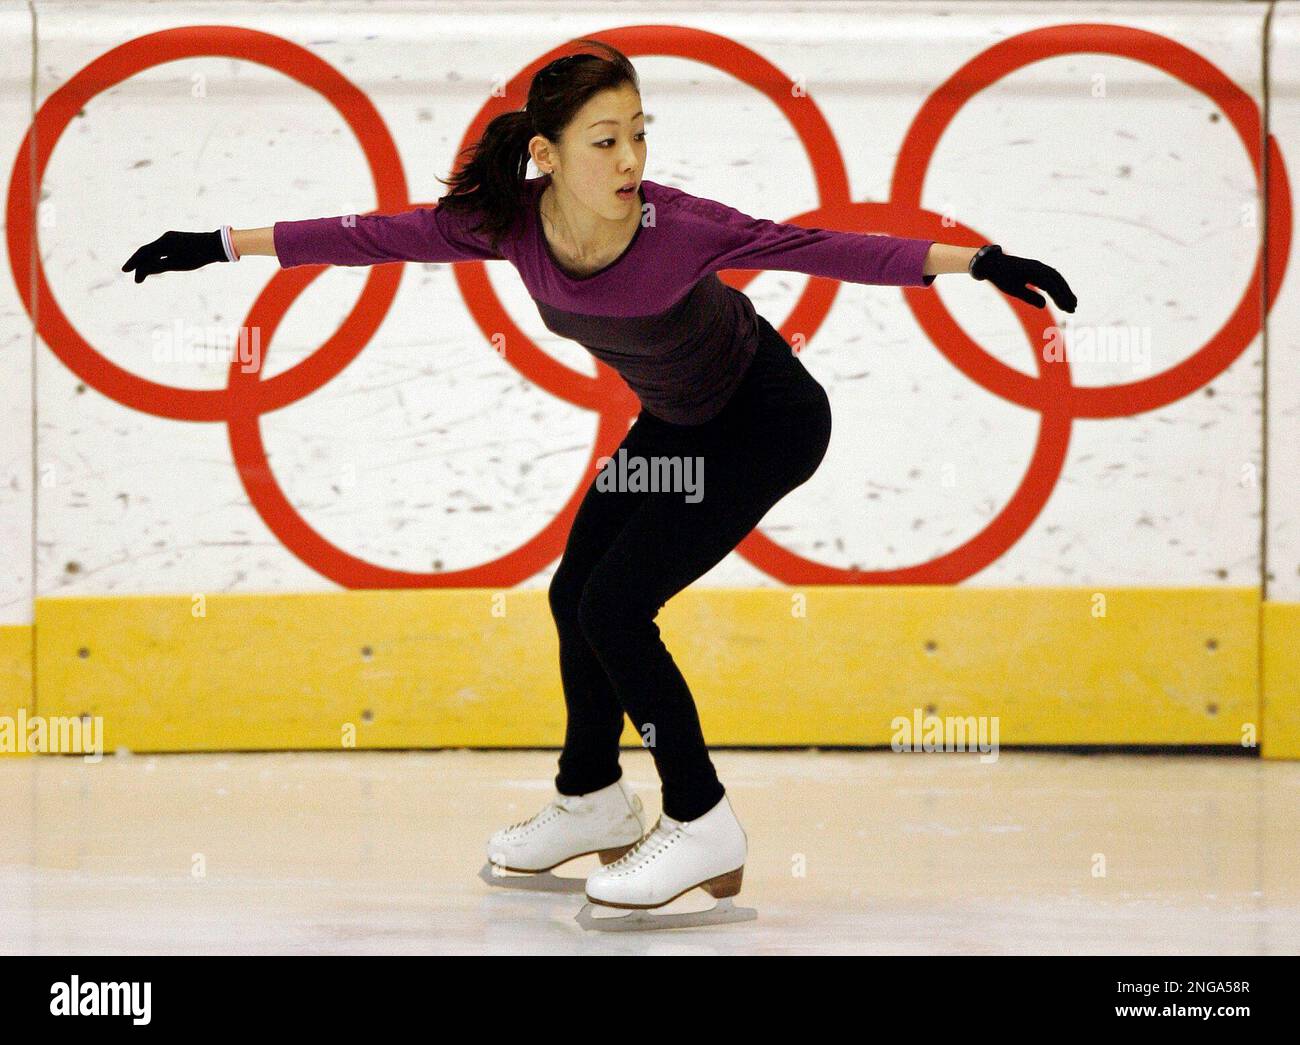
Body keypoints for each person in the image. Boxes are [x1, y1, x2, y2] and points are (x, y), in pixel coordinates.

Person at [122, 39, 1076, 930]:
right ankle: (591, 799)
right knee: (575, 592)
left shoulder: (682, 226)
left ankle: (702, 820)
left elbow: (824, 246)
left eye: (641, 134)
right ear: (547, 152)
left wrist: (979, 261)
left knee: (618, 607)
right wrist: (216, 242)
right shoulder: (506, 226)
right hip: (676, 423)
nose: (631, 159)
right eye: (606, 139)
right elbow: (369, 234)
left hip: (767, 423)